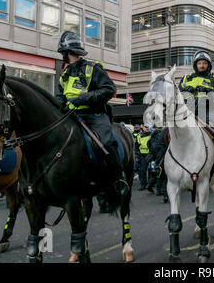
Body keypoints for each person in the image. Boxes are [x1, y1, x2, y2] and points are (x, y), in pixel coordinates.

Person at [56, 31, 128, 195]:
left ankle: (118, 178)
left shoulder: (92, 68)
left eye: (63, 54)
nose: (63, 57)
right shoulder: (64, 75)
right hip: (72, 116)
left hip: (94, 115)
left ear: (68, 53)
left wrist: (80, 100)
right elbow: (60, 97)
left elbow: (109, 89)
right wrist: (60, 105)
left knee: (106, 142)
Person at [179, 50, 214, 178]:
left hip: (209, 112)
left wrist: (208, 92)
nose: (202, 65)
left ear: (208, 65)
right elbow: (178, 96)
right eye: (199, 63)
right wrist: (187, 91)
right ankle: (158, 165)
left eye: (204, 63)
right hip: (188, 111)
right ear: (195, 65)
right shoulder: (186, 78)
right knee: (167, 132)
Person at [135, 124, 151, 191]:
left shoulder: (151, 135)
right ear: (143, 128)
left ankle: (150, 185)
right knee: (142, 171)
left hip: (150, 155)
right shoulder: (139, 135)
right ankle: (143, 185)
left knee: (151, 170)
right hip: (142, 155)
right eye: (145, 127)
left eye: (147, 127)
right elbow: (136, 146)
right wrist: (138, 154)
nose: (146, 128)